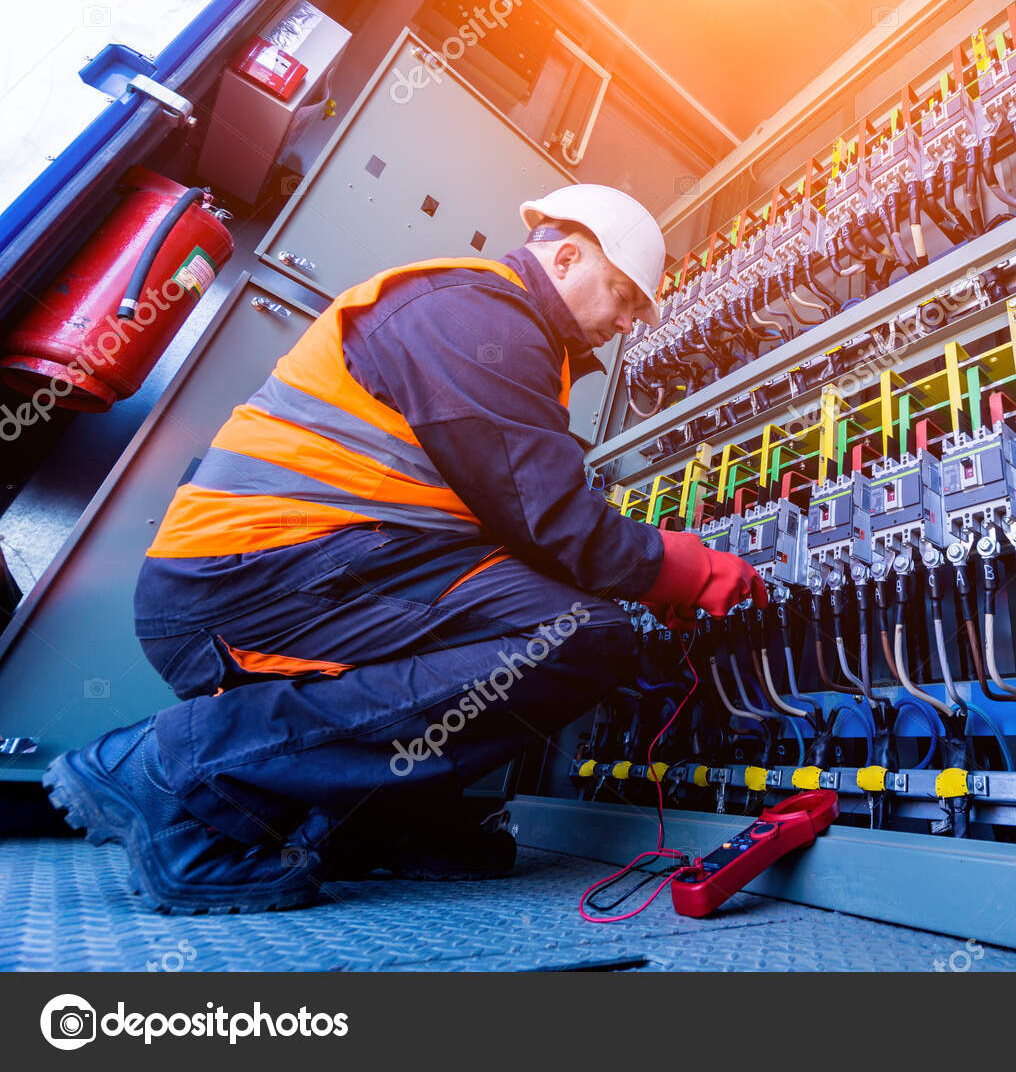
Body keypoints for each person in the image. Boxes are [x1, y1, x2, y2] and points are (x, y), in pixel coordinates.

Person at [43, 184, 764, 913]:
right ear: (568, 256)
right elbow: (548, 516)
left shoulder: (518, 336)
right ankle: (185, 771)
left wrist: (639, 578)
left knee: (576, 623)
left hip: (331, 567)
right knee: (579, 635)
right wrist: (685, 567)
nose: (630, 321)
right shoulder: (479, 313)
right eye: (624, 296)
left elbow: (518, 525)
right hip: (252, 582)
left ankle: (376, 821)